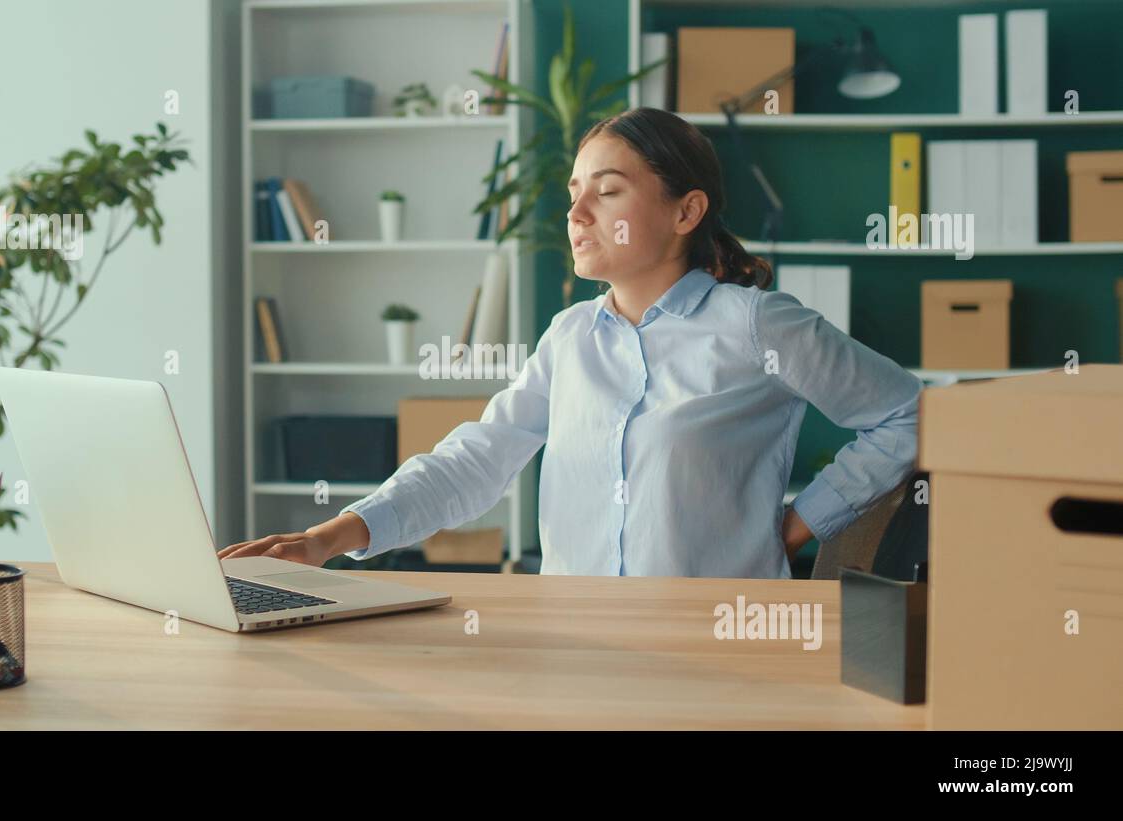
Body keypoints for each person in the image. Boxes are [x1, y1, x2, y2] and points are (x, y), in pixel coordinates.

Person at [220, 107, 922, 578]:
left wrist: (800, 523)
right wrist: (334, 535)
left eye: (608, 192)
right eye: (573, 192)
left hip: (717, 642)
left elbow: (908, 413)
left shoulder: (755, 325)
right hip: (575, 640)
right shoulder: (570, 338)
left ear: (686, 210)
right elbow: (477, 460)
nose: (577, 212)